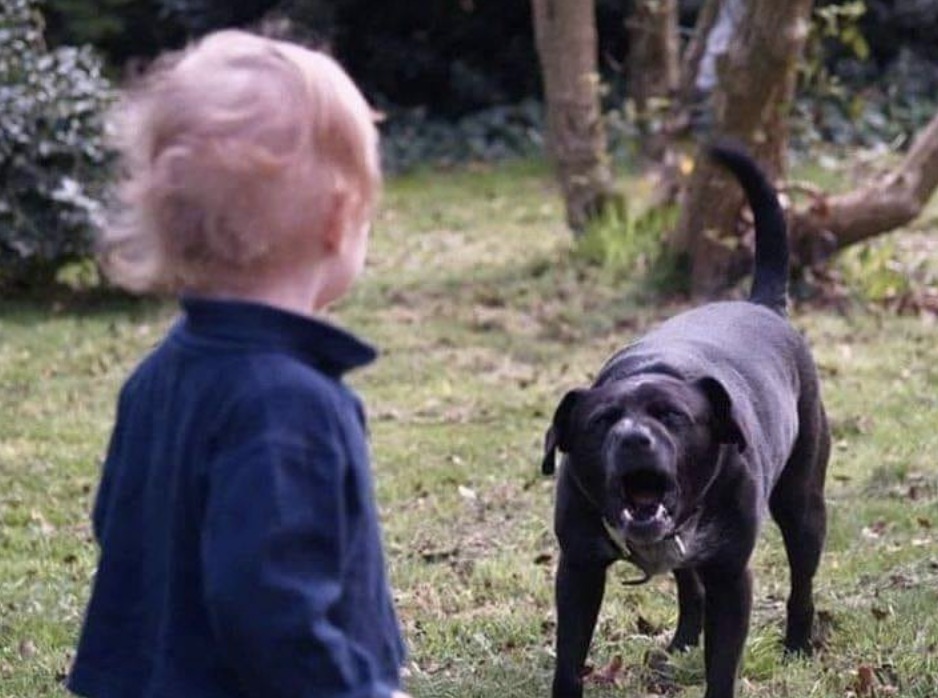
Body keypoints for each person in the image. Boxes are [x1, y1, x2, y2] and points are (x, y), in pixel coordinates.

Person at [68, 29, 410, 698]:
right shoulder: (290, 405)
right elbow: (272, 608)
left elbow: (117, 523)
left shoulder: (158, 375)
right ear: (339, 220)